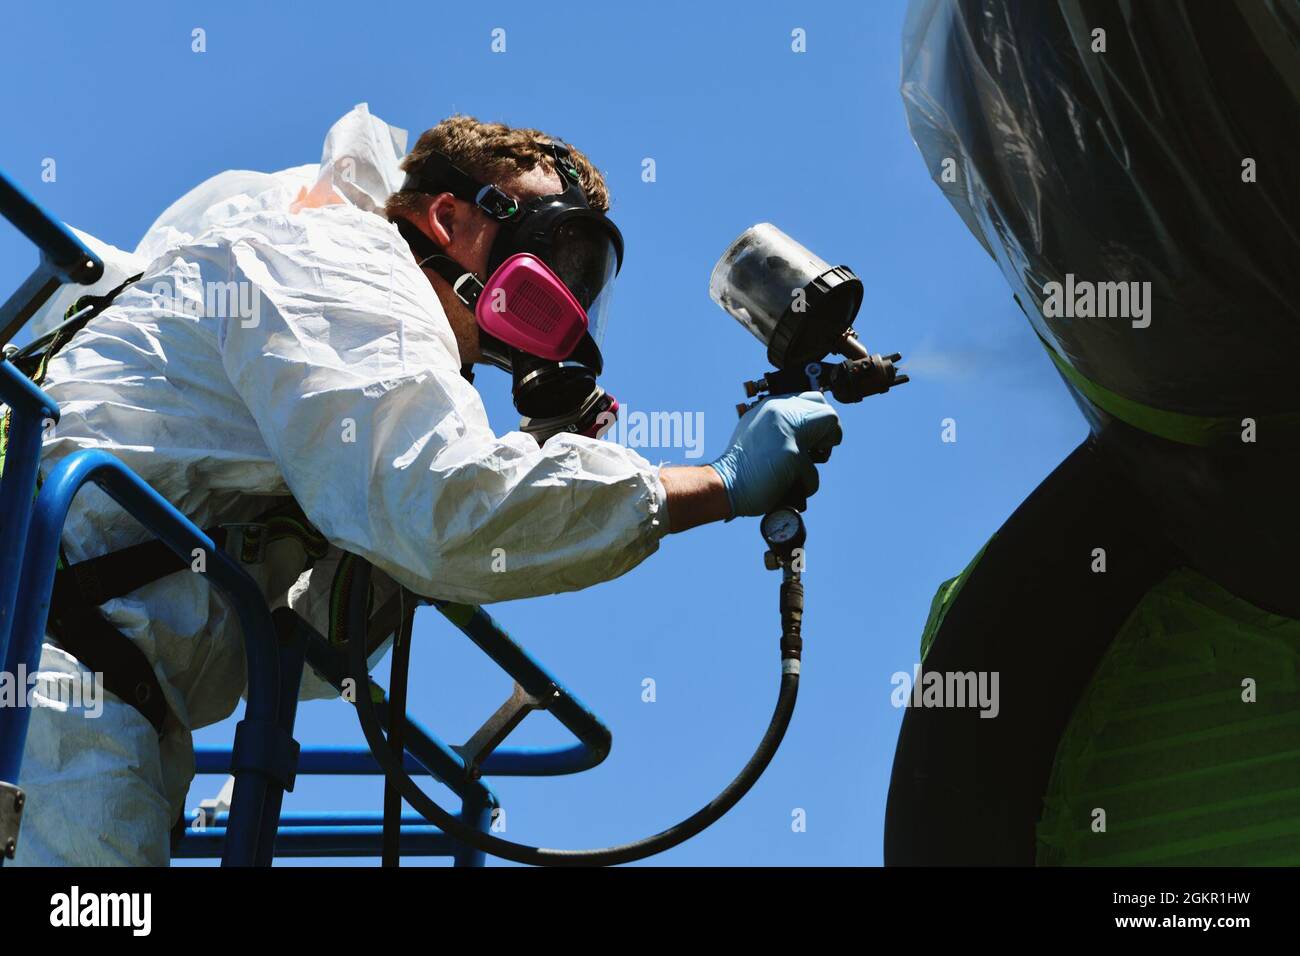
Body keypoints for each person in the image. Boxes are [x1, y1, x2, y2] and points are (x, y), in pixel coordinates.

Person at [12, 105, 840, 866]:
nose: (567, 297)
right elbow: (445, 513)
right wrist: (716, 485)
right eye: (551, 254)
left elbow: (311, 650)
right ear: (446, 217)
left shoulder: (359, 346)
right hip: (48, 680)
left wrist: (535, 460)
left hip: (92, 697)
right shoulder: (343, 264)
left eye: (585, 278)